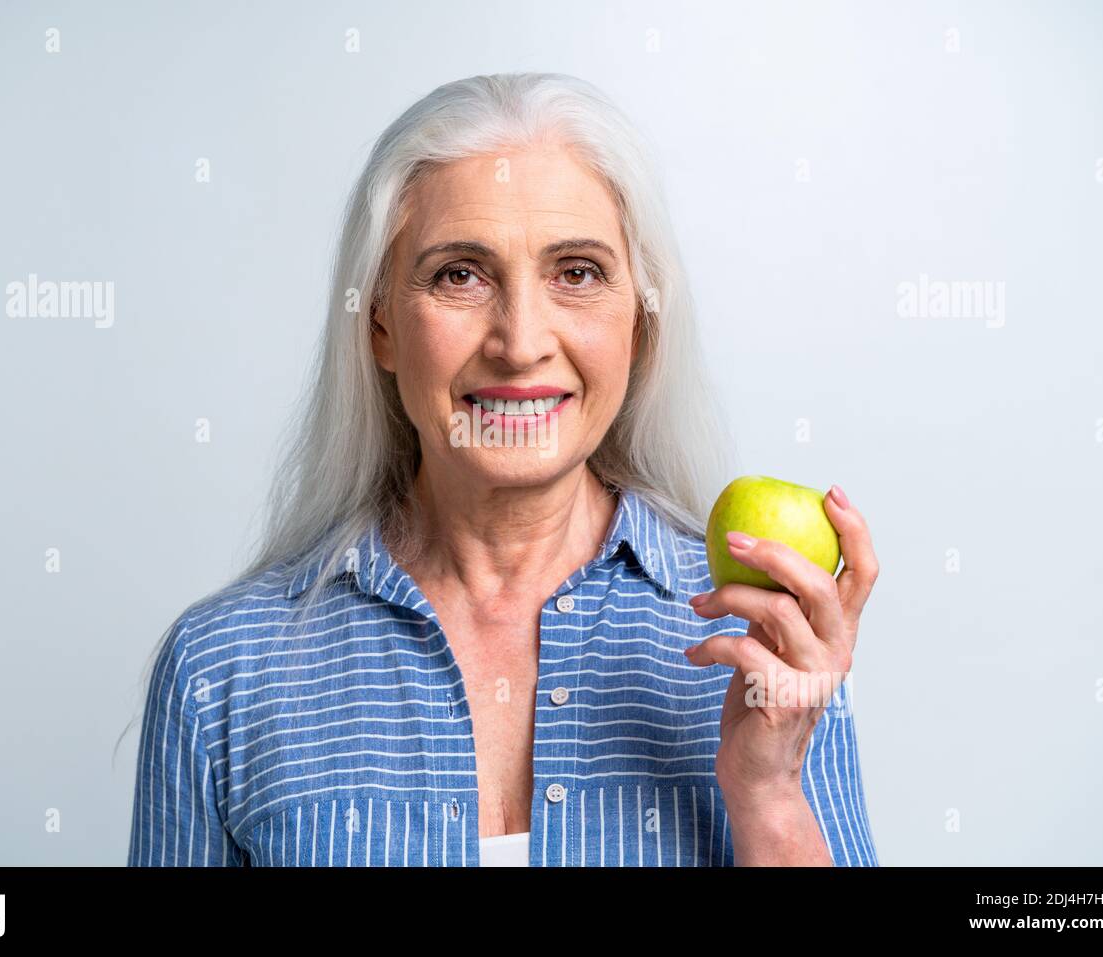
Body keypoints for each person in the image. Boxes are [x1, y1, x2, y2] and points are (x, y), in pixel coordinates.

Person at [128, 72, 880, 867]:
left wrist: (768, 796)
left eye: (577, 272)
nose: (520, 342)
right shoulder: (220, 672)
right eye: (460, 273)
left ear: (641, 324)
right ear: (380, 324)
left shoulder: (763, 635)